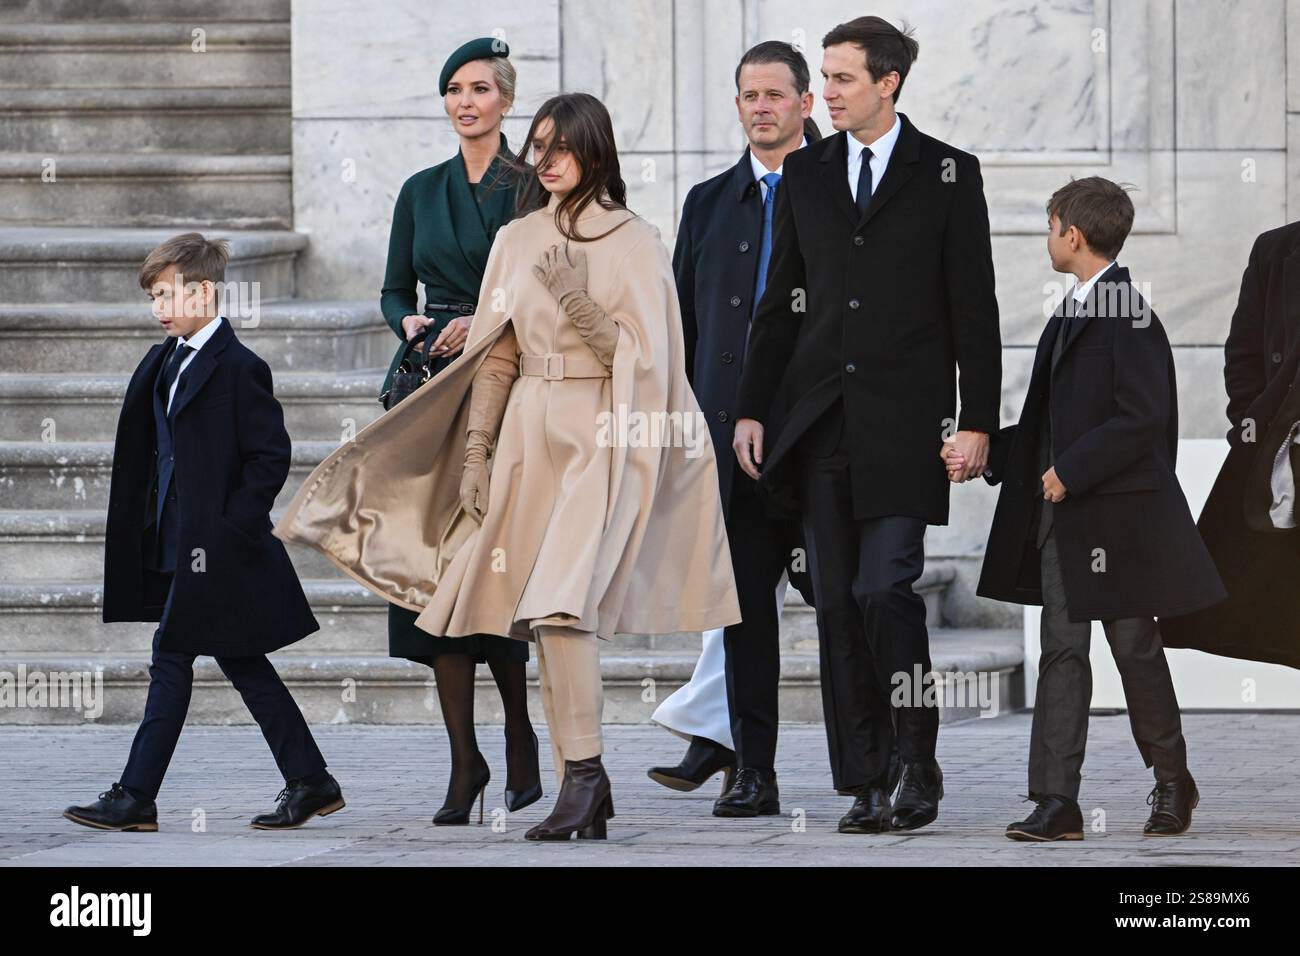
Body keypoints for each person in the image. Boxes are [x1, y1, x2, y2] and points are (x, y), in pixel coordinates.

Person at [275, 93, 741, 841]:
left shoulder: (636, 240)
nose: (548, 159)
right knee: (539, 618)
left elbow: (645, 359)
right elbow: (494, 354)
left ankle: (583, 780)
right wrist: (476, 454)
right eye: (541, 144)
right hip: (527, 434)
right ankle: (580, 785)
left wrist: (571, 295)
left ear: (596, 152)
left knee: (561, 607)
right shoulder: (516, 237)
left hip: (602, 435)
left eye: (564, 146)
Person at [732, 16, 1001, 834]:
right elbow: (780, 303)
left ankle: (917, 761)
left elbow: (973, 309)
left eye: (843, 78)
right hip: (817, 425)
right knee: (838, 605)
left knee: (885, 588)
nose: (830, 92)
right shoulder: (806, 173)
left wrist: (979, 421)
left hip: (906, 423)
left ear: (888, 82)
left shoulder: (950, 173)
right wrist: (752, 405)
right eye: (826, 77)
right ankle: (865, 778)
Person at [949, 177, 1225, 840]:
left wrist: (1069, 472)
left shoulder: (1129, 312)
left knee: (1134, 646)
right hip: (1061, 519)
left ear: (1071, 233)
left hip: (1117, 520)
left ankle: (1171, 781)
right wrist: (988, 453)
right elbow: (1052, 426)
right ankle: (1057, 802)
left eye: (1050, 227)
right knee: (1062, 652)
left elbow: (1142, 418)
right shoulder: (1070, 311)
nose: (1048, 239)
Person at [65, 233, 344, 832]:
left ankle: (136, 795)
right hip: (171, 540)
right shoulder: (162, 360)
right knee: (242, 661)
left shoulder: (241, 368)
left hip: (214, 549)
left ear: (205, 291)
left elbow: (269, 458)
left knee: (170, 658)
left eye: (167, 294)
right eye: (152, 298)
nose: (158, 307)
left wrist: (229, 528)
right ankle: (311, 780)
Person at [647, 40, 821, 817]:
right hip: (727, 442)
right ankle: (754, 769)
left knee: (855, 601)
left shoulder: (840, 199)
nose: (761, 107)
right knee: (745, 606)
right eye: (749, 95)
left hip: (820, 435)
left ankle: (883, 769)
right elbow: (678, 326)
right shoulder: (709, 202)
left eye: (775, 95)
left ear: (806, 104)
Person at [378, 37, 540, 825]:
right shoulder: (419, 188)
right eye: (453, 90)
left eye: (480, 88)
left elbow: (546, 286)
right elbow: (389, 288)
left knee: (494, 571)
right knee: (428, 582)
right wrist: (407, 318)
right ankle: (462, 762)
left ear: (506, 100)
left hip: (507, 394)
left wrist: (486, 319)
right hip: (428, 392)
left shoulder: (533, 186)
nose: (465, 101)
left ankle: (518, 731)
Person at [1160, 219, 1300, 672]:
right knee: (1280, 612)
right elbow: (1243, 354)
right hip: (1286, 456)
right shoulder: (1277, 250)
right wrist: (1252, 430)